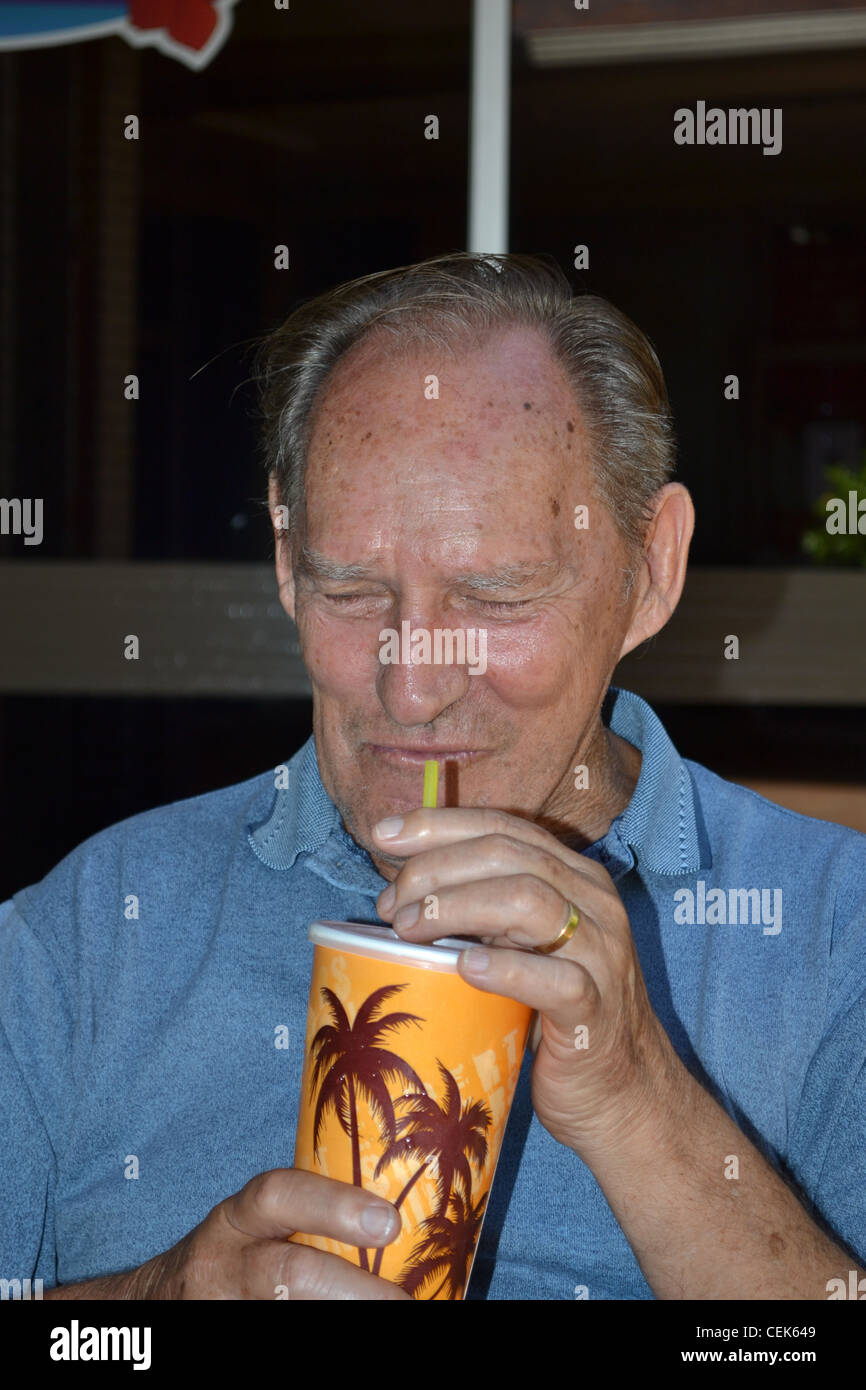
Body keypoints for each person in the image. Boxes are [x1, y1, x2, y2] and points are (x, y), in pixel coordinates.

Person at [2, 252, 864, 1301]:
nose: (410, 688)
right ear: (284, 557)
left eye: (494, 598)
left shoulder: (835, 940)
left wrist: (637, 1097)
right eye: (352, 589)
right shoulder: (88, 936)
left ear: (649, 571)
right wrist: (150, 1306)